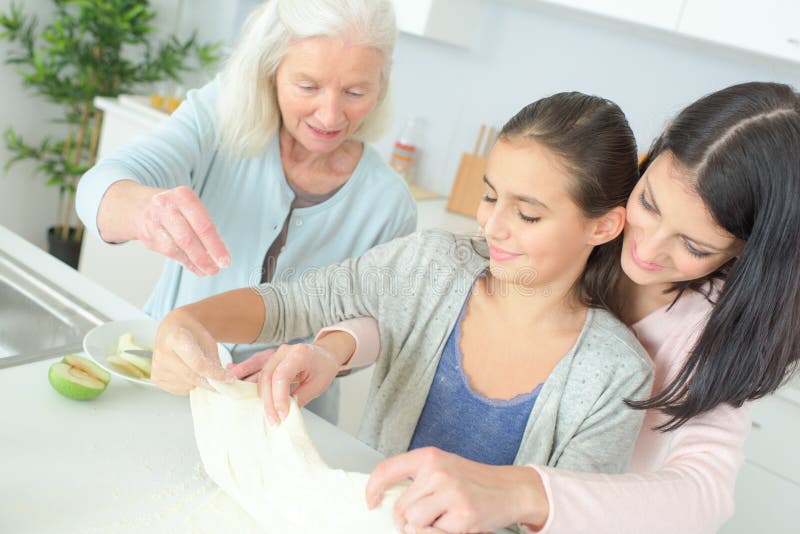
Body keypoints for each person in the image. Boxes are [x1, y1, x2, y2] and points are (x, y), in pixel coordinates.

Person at [253, 81, 800, 534]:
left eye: (695, 247)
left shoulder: (715, 333)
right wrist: (337, 347)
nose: (648, 248)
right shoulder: (592, 228)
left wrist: (520, 493)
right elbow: (433, 307)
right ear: (652, 155)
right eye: (649, 204)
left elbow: (704, 494)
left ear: (746, 252)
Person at [150, 92, 656, 529]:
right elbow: (296, 300)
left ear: (603, 228)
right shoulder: (432, 266)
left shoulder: (615, 374)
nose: (492, 226)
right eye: (489, 195)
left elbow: (577, 516)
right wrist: (190, 321)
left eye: (527, 214)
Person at [75, 0, 416, 423]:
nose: (330, 115)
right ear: (270, 70)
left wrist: (326, 350)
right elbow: (96, 188)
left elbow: (380, 325)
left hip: (283, 417)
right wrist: (145, 210)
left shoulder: (389, 203)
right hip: (164, 381)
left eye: (355, 92)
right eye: (308, 86)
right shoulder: (219, 118)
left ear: (381, 86)